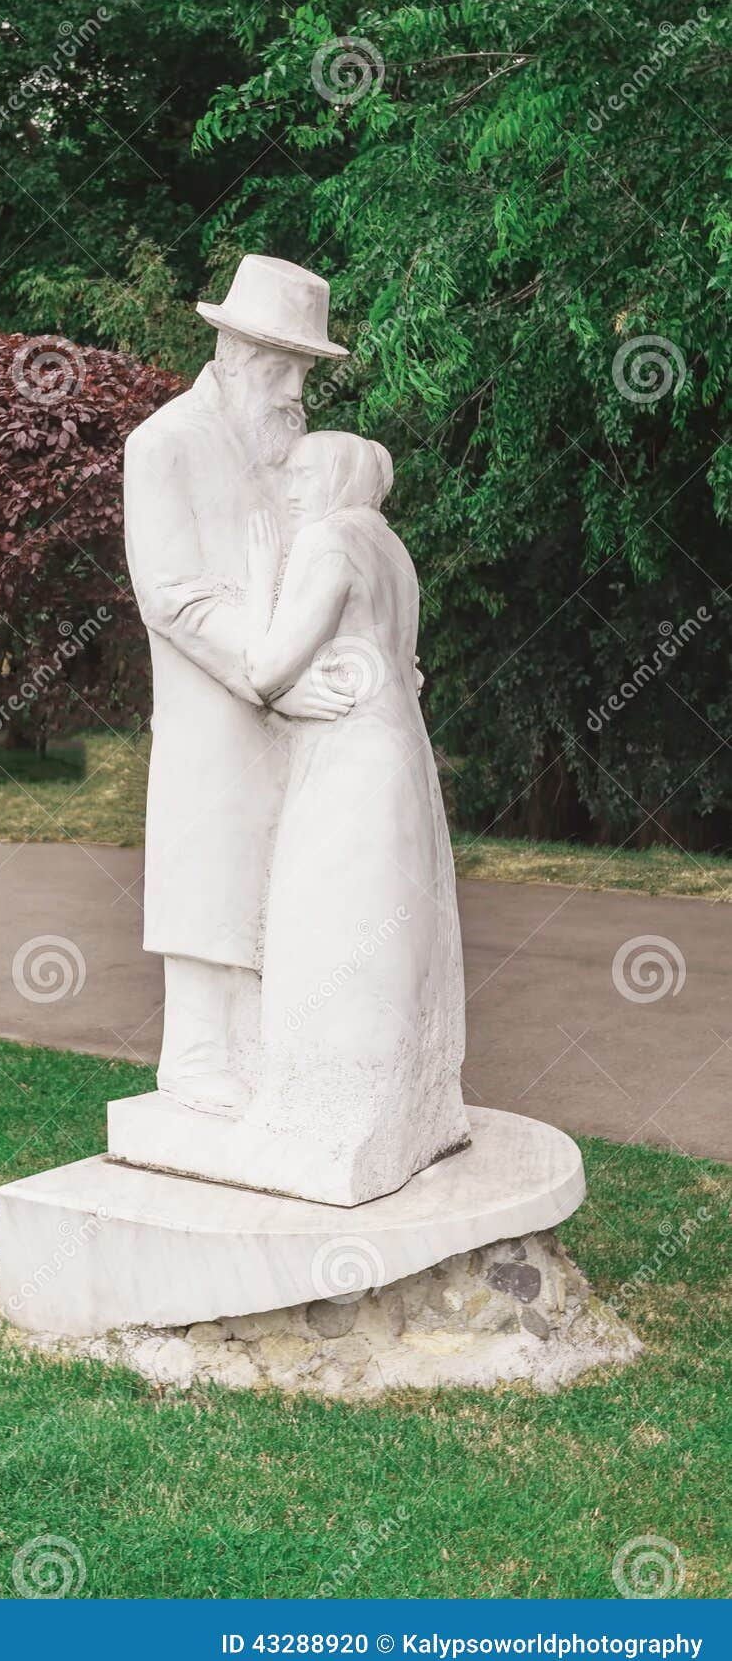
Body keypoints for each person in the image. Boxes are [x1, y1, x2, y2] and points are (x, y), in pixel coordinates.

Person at [123, 255, 355, 1115]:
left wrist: (330, 655)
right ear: (227, 350)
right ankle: (192, 1058)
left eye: (303, 367)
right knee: (209, 865)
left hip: (294, 696)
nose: (294, 385)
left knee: (276, 873)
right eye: (279, 363)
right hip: (210, 701)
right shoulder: (162, 444)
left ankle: (266, 1044)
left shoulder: (288, 446)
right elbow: (173, 596)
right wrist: (271, 675)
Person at [239, 430, 471, 1196]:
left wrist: (252, 582)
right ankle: (410, 1104)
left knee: (336, 919)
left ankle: (337, 1111)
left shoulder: (330, 542)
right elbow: (404, 663)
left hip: (347, 757)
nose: (292, 485)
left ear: (338, 475)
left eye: (304, 471)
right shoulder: (389, 548)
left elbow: (270, 664)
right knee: (393, 918)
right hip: (398, 748)